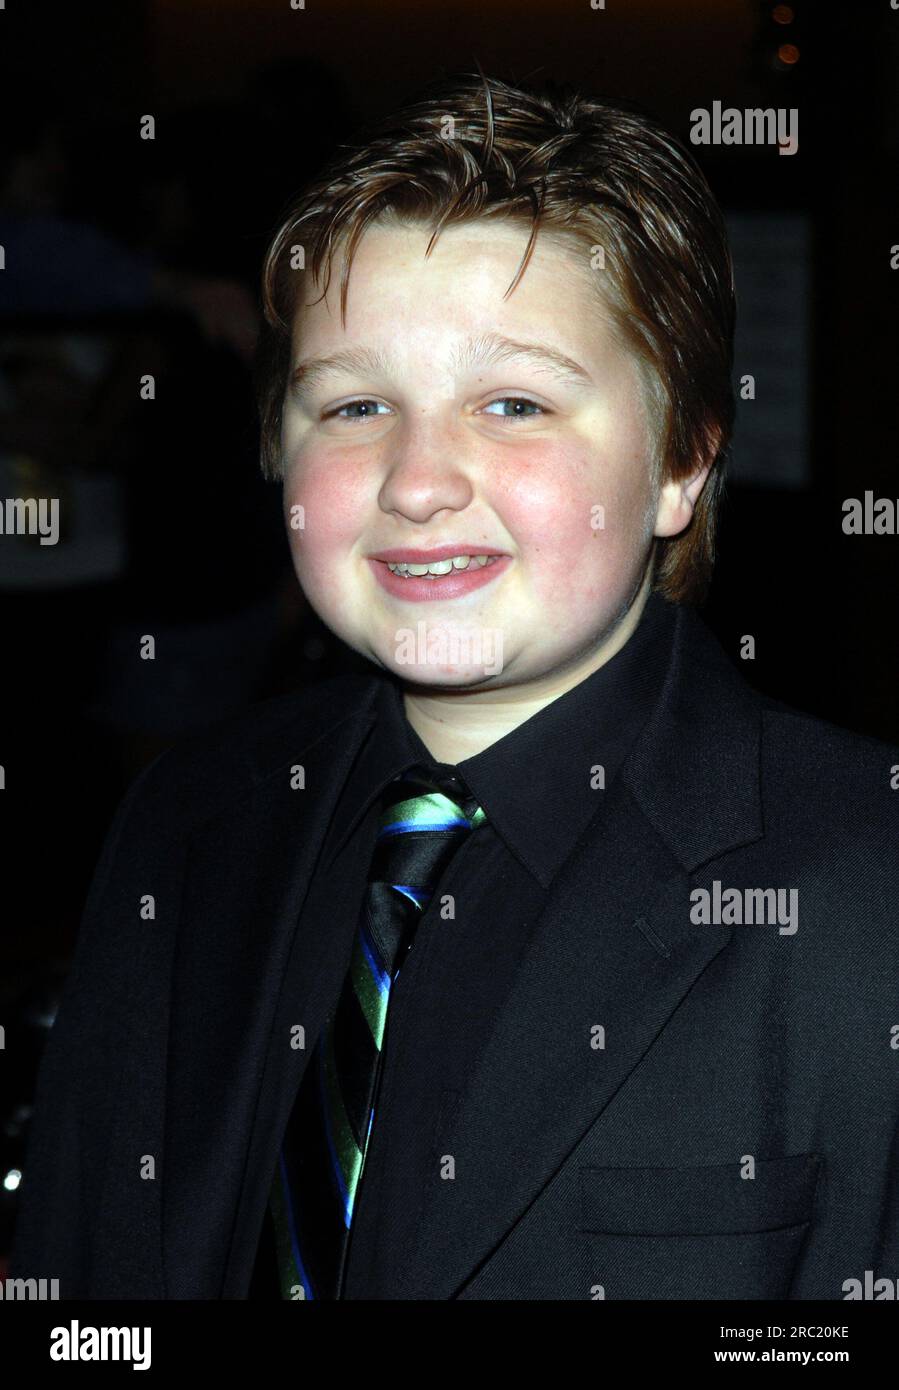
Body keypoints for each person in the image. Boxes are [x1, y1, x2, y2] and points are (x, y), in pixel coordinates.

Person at [9, 70, 899, 1301]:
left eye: (514, 401)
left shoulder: (862, 888)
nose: (416, 479)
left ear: (680, 464)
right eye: (356, 403)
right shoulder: (183, 821)